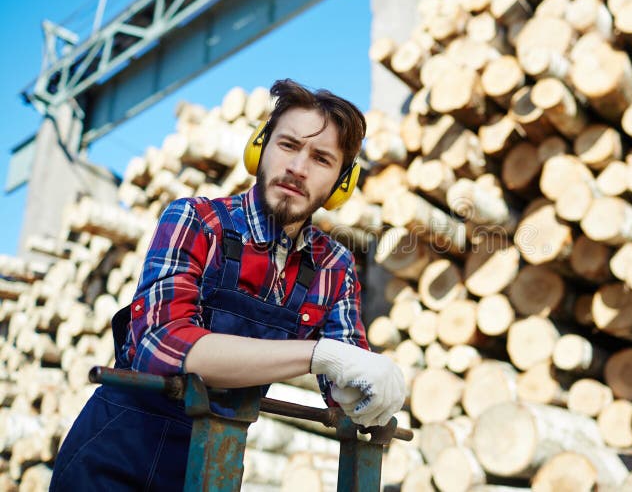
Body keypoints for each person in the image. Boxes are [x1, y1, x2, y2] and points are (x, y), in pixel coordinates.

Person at [49, 79, 406, 491]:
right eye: (288, 145)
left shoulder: (333, 266)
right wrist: (320, 355)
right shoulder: (197, 221)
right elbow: (163, 343)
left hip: (212, 468)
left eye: (321, 159)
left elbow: (344, 378)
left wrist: (367, 387)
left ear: (341, 185)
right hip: (111, 461)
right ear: (260, 149)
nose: (298, 167)